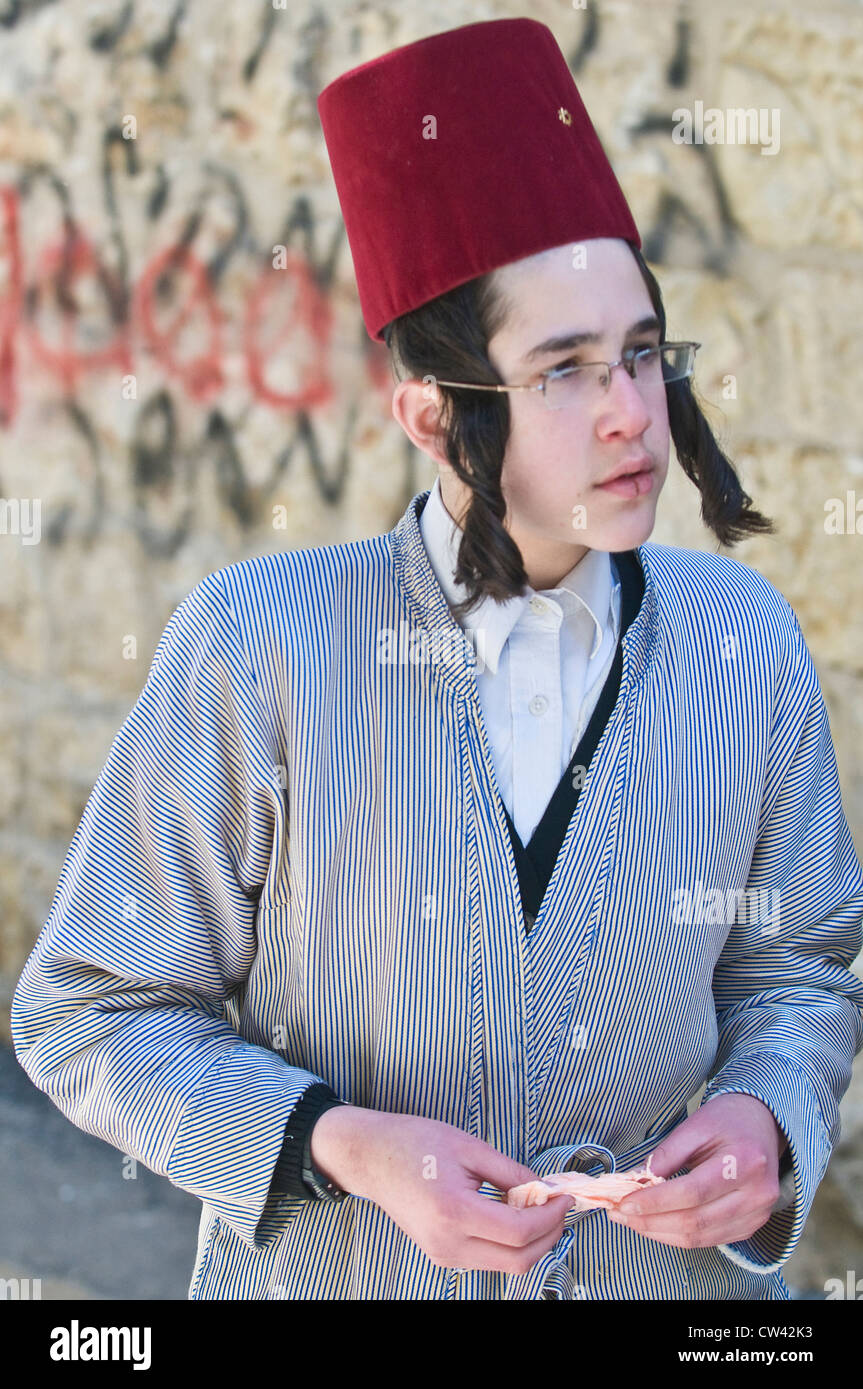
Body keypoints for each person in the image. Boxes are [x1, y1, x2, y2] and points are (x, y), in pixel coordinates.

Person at [11, 17, 863, 1302]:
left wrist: (765, 1116)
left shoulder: (743, 643)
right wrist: (341, 1146)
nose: (632, 410)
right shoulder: (261, 645)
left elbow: (797, 967)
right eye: (563, 369)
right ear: (432, 416)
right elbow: (91, 1006)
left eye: (640, 350)